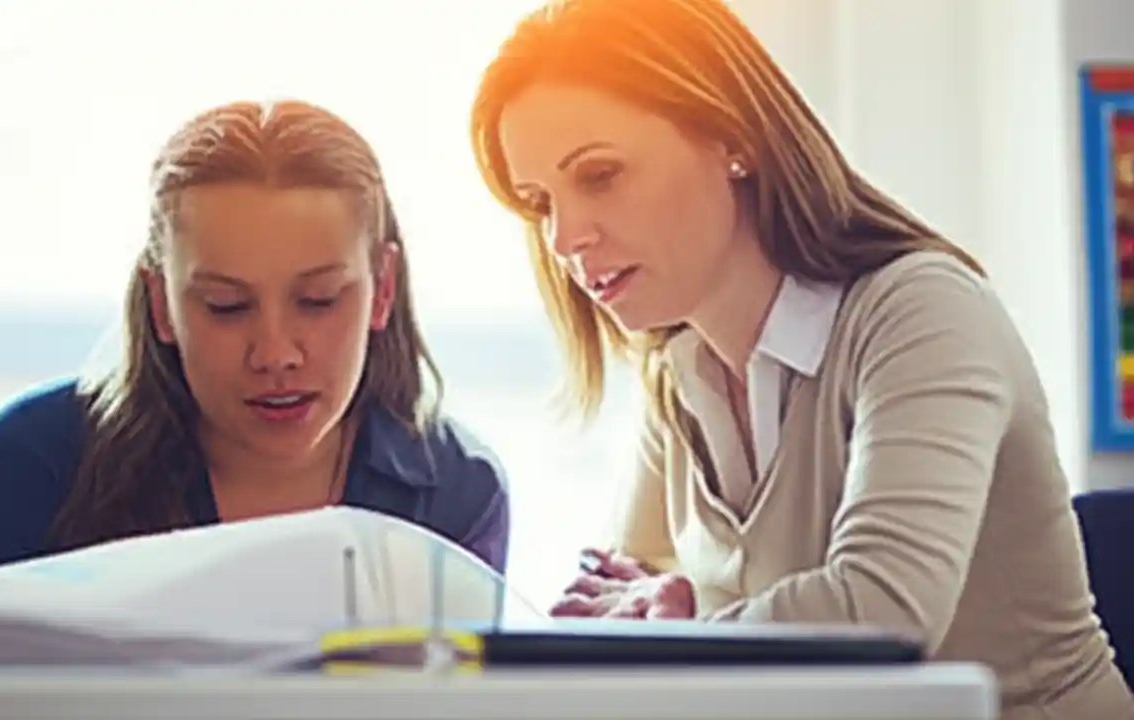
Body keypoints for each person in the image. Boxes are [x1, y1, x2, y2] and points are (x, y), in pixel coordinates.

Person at [468, 0, 1132, 717]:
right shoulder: (679, 370)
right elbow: (625, 596)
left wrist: (681, 631)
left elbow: (882, 611)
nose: (565, 237)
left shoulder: (921, 312)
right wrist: (665, 614)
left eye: (599, 175)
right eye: (540, 203)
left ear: (732, 136)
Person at [0, 99, 510, 610]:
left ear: (383, 290)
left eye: (319, 300)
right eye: (225, 306)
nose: (275, 353)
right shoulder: (35, 461)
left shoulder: (457, 491)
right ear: (162, 304)